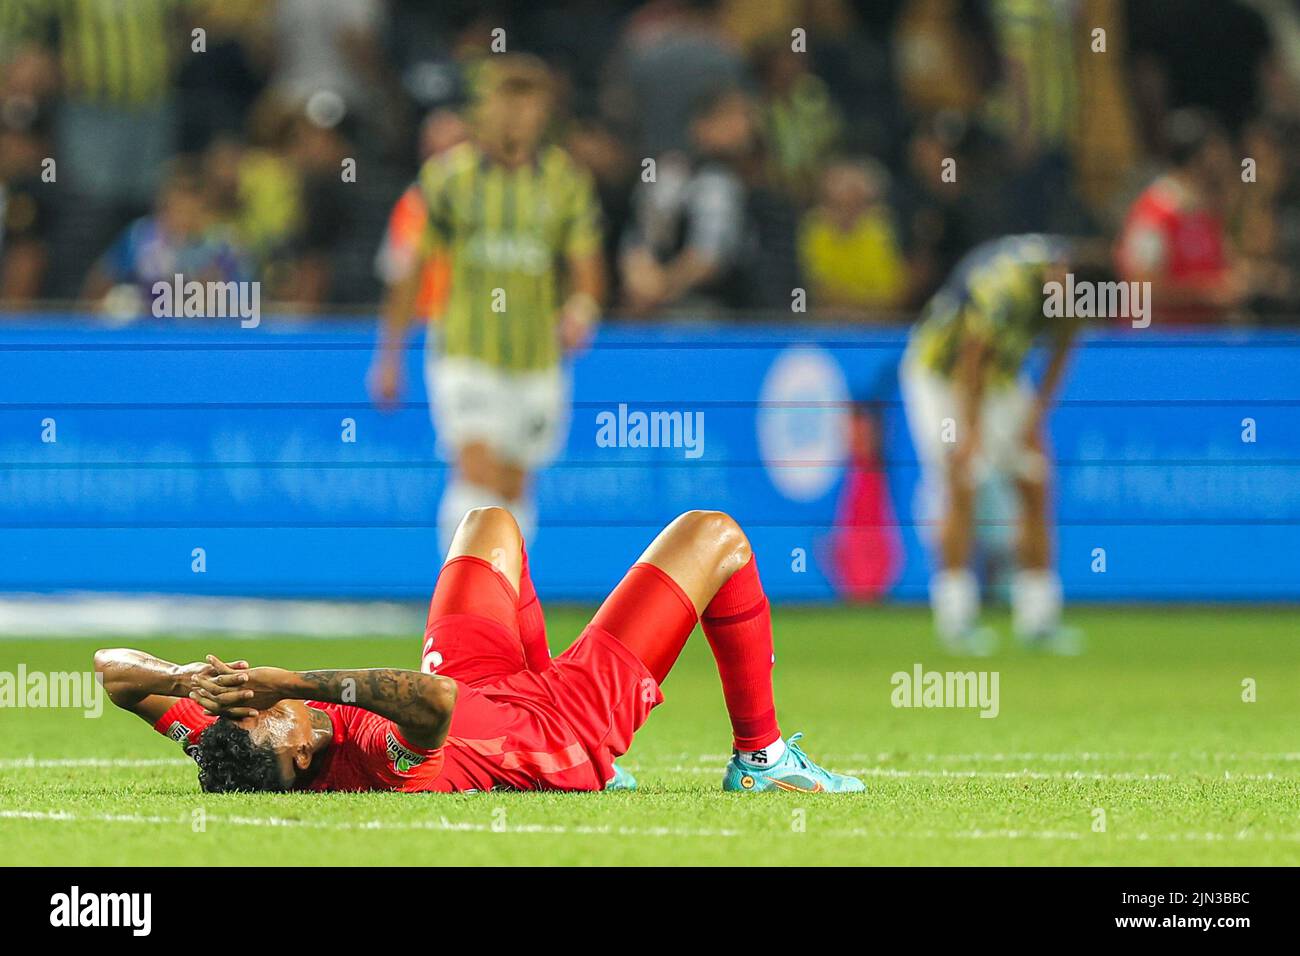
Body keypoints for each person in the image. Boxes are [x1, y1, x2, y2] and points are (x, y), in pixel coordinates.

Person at [94, 507, 864, 795]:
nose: (267, 703)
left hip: (486, 680)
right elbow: (431, 703)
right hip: (558, 725)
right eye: (274, 715)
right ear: (298, 757)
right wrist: (291, 678)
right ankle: (761, 761)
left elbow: (111, 671)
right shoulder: (379, 764)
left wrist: (182, 677)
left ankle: (538, 663)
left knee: (488, 525)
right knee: (716, 537)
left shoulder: (224, 740)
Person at [369, 55, 605, 552]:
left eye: (528, 103)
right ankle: (458, 607)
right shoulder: (447, 179)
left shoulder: (566, 183)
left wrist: (582, 309)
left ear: (544, 112)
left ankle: (502, 606)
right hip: (463, 349)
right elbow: (408, 270)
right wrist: (389, 356)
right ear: (484, 109)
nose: (516, 115)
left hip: (536, 356)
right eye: (505, 101)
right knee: (476, 472)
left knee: (514, 485)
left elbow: (586, 265)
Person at [900, 234, 1086, 656]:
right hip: (939, 375)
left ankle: (1038, 620)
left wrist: (1035, 418)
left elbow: (1063, 348)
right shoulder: (1005, 283)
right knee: (963, 481)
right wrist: (969, 434)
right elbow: (972, 358)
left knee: (1035, 480)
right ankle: (956, 619)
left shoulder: (1077, 288)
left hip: (1001, 378)